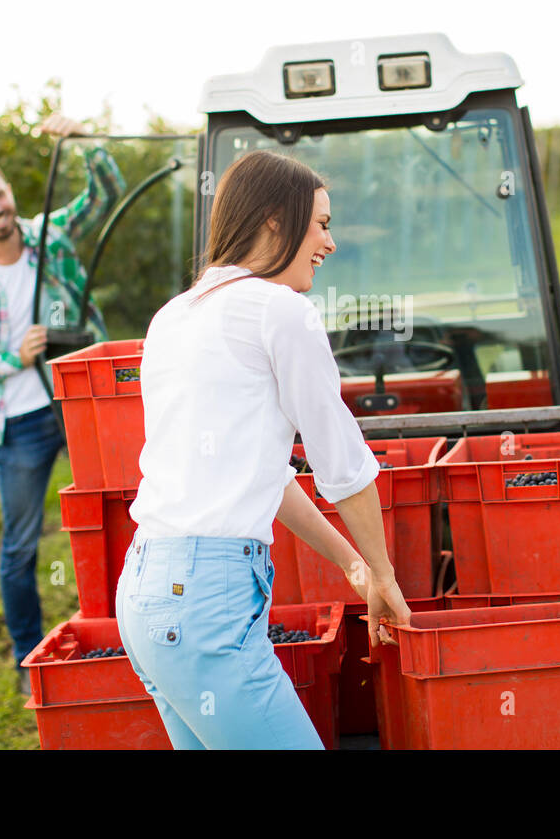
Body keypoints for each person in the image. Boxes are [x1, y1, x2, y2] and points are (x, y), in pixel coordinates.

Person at [116, 149, 412, 749]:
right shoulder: (282, 311)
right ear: (276, 219)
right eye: (322, 224)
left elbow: (265, 477)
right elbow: (344, 465)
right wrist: (384, 573)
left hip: (147, 594)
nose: (330, 243)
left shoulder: (172, 317)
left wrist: (354, 567)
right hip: (204, 602)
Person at [0, 113, 125, 695]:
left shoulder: (48, 236)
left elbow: (105, 193)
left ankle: (131, 635)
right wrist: (10, 359)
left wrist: (81, 142)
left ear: (10, 193)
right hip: (17, 421)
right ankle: (25, 659)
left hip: (81, 401)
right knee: (20, 544)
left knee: (122, 510)